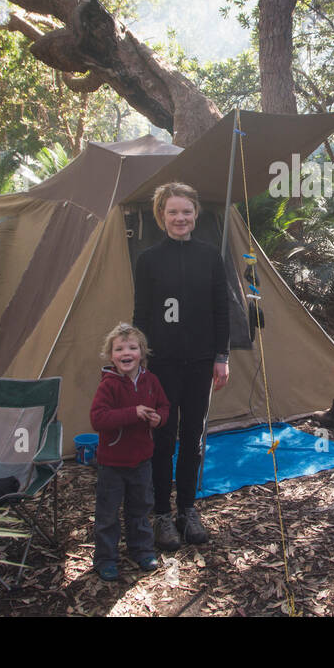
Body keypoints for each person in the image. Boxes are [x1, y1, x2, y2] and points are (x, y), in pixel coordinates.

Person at [133, 182, 230, 550]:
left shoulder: (210, 257)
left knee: (192, 438)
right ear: (161, 215)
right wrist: (140, 363)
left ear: (195, 214)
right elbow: (141, 314)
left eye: (186, 211)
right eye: (173, 211)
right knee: (162, 438)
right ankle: (161, 513)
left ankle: (187, 510)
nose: (180, 218)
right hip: (162, 364)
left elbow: (222, 310)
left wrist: (221, 356)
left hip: (200, 363)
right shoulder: (148, 259)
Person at [90, 322, 170, 581]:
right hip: (112, 463)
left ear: (142, 353)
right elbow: (98, 419)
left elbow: (164, 406)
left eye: (132, 348)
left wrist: (159, 418)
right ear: (111, 356)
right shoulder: (109, 385)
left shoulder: (151, 381)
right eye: (119, 349)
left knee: (140, 509)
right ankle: (105, 558)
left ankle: (142, 550)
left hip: (141, 460)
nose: (126, 353)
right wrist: (132, 413)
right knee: (108, 513)